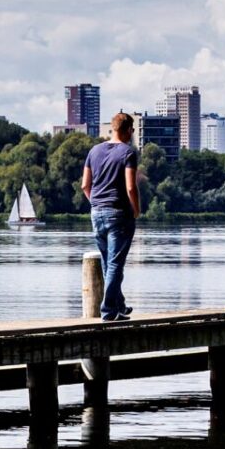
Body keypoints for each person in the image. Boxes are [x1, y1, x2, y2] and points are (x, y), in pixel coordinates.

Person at [81, 112, 141, 322]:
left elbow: (85, 185)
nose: (132, 135)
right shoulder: (128, 153)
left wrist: (96, 204)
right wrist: (136, 209)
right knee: (115, 264)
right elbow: (131, 187)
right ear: (126, 130)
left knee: (108, 262)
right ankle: (108, 311)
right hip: (119, 214)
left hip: (96, 213)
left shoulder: (94, 151)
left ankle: (119, 305)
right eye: (132, 131)